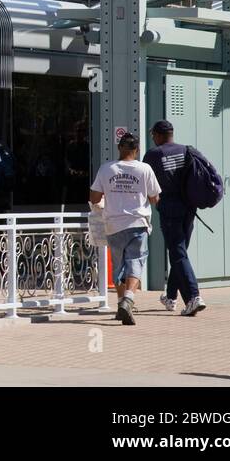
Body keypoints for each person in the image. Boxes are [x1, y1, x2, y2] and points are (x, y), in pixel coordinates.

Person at [89, 132, 161, 325]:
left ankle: (122, 304)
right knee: (135, 262)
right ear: (136, 150)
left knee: (119, 266)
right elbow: (155, 199)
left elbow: (94, 198)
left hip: (113, 225)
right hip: (138, 224)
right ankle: (128, 300)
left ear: (120, 148)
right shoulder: (145, 169)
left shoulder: (106, 169)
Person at [143, 119, 206, 317]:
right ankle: (170, 296)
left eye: (153, 134)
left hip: (169, 209)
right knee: (179, 253)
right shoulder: (187, 150)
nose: (152, 138)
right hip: (189, 208)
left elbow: (143, 180)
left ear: (160, 135)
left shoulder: (153, 155)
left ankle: (194, 297)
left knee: (178, 254)